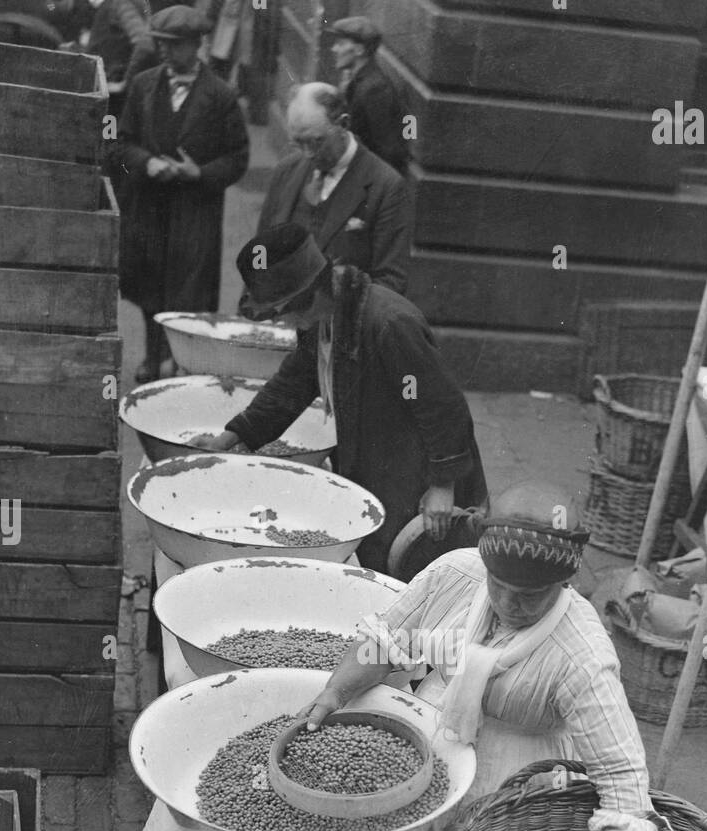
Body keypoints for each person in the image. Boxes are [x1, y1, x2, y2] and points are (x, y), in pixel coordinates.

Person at [304, 482, 657, 831]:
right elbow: (388, 642)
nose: (509, 604)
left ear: (564, 582)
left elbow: (621, 774)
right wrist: (333, 693)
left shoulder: (584, 655)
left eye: (529, 596)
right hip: (433, 729)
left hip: (513, 779)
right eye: (500, 585)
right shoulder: (456, 574)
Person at [193, 224, 487, 574]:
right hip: (379, 462)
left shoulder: (389, 323)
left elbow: (444, 406)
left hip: (422, 476)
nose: (282, 323)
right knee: (380, 563)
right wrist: (231, 437)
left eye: (280, 312)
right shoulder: (324, 318)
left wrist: (442, 486)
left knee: (423, 576)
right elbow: (292, 386)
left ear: (306, 297)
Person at [114, 4, 250, 382]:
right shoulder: (143, 86)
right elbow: (121, 143)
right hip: (149, 209)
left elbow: (238, 159)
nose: (165, 52)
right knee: (148, 288)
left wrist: (199, 173)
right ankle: (152, 354)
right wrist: (145, 162)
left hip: (195, 214)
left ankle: (179, 365)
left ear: (196, 45)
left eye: (174, 45)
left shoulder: (221, 96)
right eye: (161, 44)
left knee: (187, 292)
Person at [256, 82, 410, 295]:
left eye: (316, 142)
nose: (307, 154)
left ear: (343, 124)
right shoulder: (287, 170)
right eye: (298, 143)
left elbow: (392, 281)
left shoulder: (386, 186)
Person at [328, 15, 410, 177]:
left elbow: (388, 148)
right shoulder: (360, 81)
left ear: (359, 50)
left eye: (341, 44)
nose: (334, 49)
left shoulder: (374, 89)